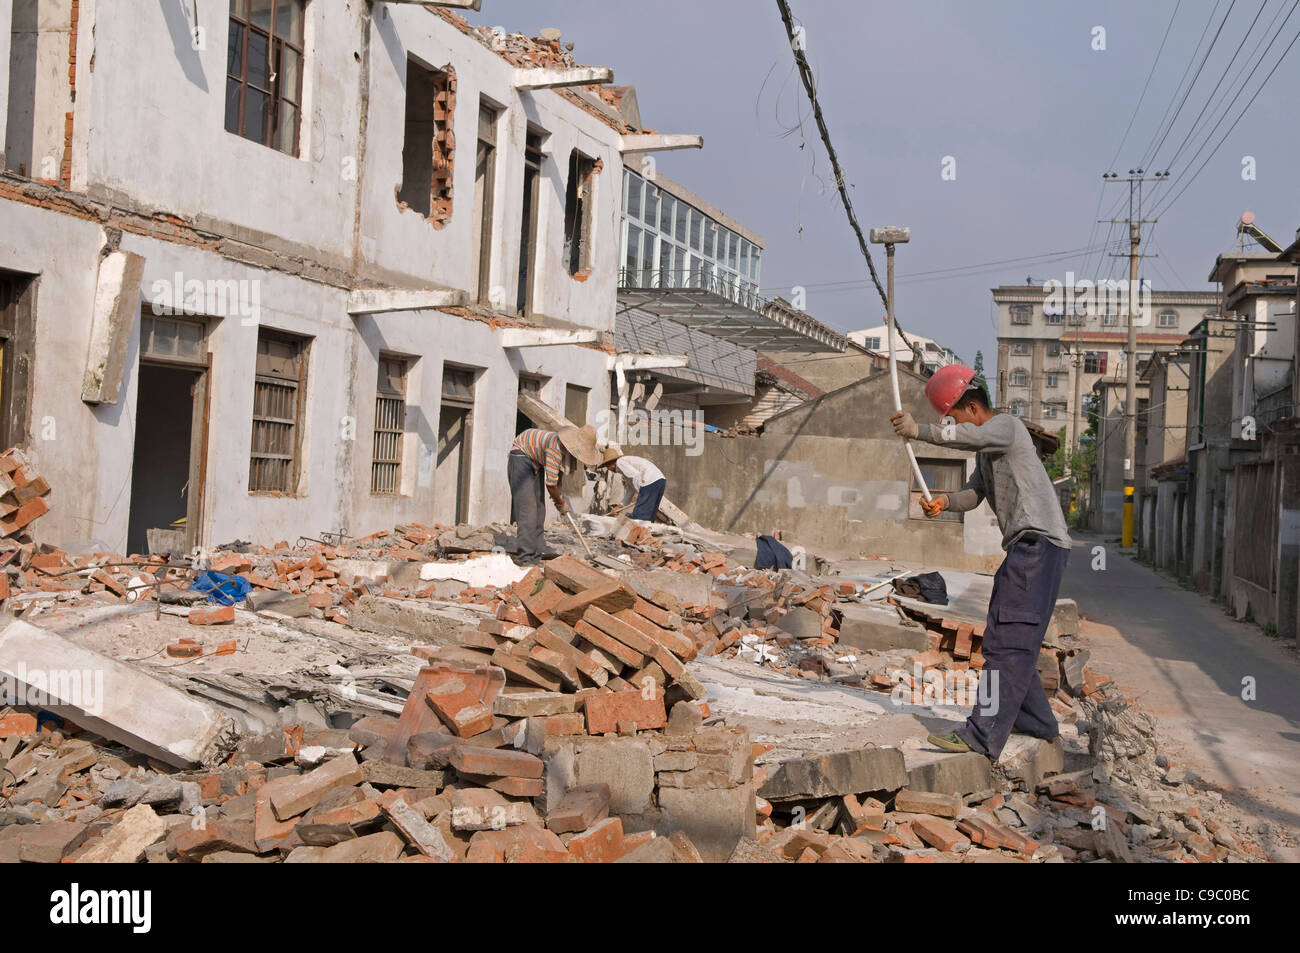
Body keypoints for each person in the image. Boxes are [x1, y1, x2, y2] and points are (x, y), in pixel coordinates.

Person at [890, 364, 1072, 762]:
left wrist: (918, 430)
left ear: (971, 408)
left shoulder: (1005, 427)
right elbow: (975, 492)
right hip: (1035, 550)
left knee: (1007, 644)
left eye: (953, 419)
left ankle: (981, 734)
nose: (953, 427)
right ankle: (1037, 722)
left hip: (1035, 548)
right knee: (1009, 641)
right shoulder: (991, 452)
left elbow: (967, 437)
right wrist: (946, 502)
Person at [509, 424, 602, 565]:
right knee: (527, 510)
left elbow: (557, 478)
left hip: (536, 460)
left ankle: (535, 556)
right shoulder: (555, 449)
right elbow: (550, 484)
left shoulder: (566, 453)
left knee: (540, 511)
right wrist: (560, 503)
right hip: (521, 455)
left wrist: (558, 499)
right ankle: (525, 558)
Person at [598, 445, 667, 521]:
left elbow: (635, 476)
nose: (608, 469)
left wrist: (640, 494)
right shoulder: (625, 468)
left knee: (640, 517)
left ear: (611, 463)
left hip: (649, 481)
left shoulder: (620, 462)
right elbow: (630, 489)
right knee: (649, 516)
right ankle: (647, 530)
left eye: (607, 466)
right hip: (659, 480)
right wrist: (620, 506)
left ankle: (640, 531)